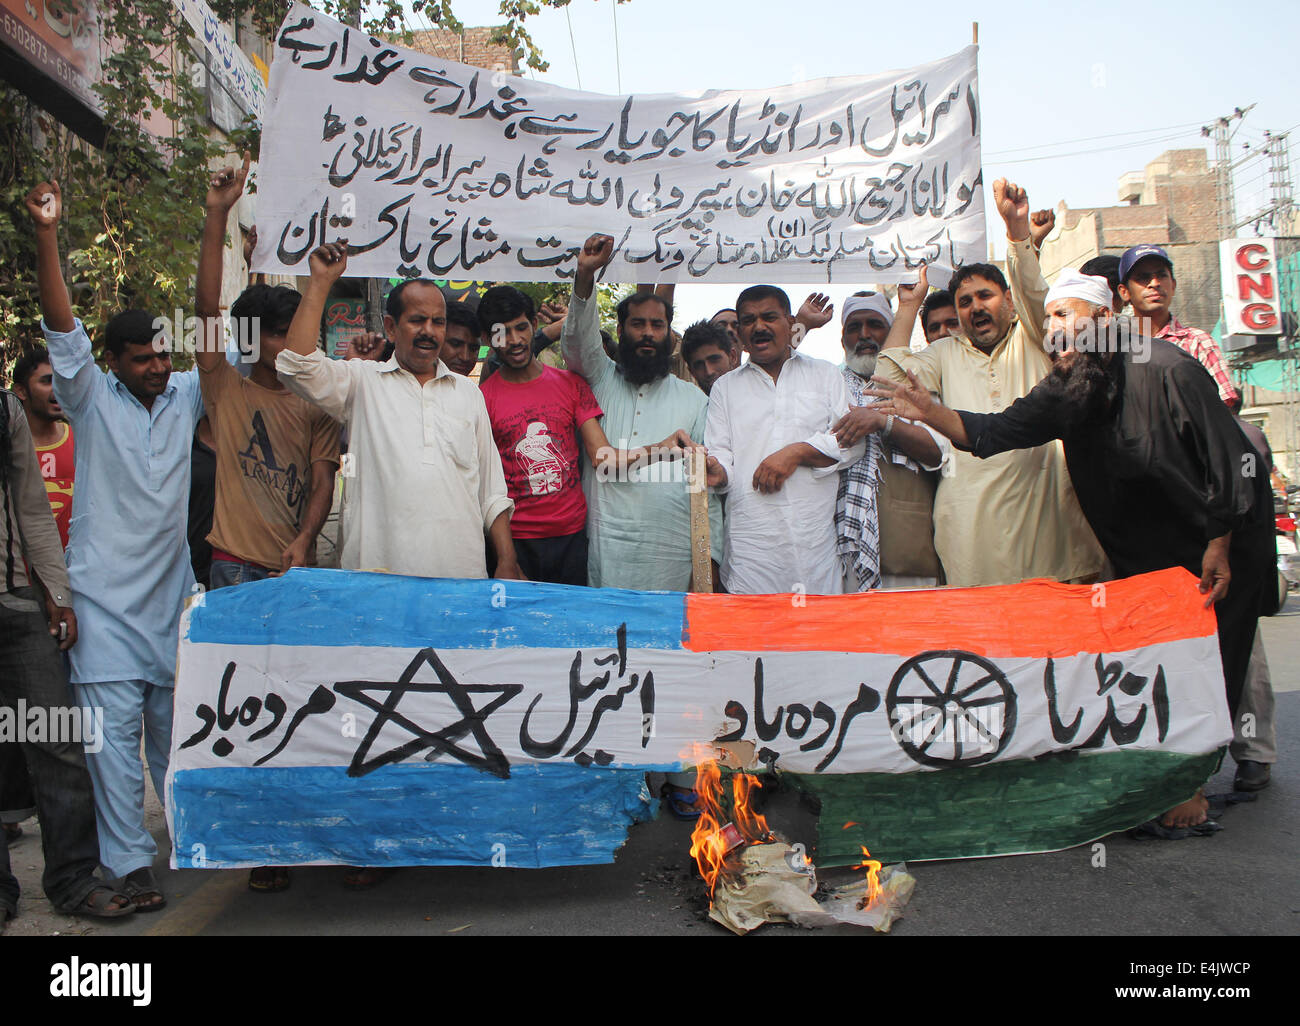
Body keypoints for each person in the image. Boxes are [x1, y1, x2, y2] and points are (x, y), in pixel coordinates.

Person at [870, 267, 1274, 833]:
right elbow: (996, 431)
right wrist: (928, 410)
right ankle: (1159, 776)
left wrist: (1220, 544)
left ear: (1105, 320)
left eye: (1068, 315)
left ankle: (1191, 787)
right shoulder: (1071, 385)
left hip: (1215, 546)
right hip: (1144, 558)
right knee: (1159, 667)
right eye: (1052, 316)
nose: (1056, 326)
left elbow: (1231, 463)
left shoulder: (1166, 368)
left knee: (1210, 667)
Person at [30, 179, 205, 911]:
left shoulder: (189, 395)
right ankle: (129, 865)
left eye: (162, 356)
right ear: (113, 363)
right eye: (141, 359)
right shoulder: (91, 399)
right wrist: (47, 233)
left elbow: (214, 328)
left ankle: (190, 841)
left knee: (178, 744)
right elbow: (62, 327)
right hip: (101, 605)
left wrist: (220, 217)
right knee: (110, 751)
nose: (157, 367)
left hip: (172, 605)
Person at [876, 178, 1103, 587]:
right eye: (965, 302)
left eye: (985, 296)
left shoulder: (1035, 337)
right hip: (972, 543)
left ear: (1009, 303)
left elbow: (1035, 295)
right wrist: (909, 305)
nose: (975, 307)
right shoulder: (946, 353)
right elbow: (886, 378)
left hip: (1049, 540)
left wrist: (1017, 234)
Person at [276, 241, 521, 582]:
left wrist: (507, 560)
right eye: (417, 320)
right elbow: (296, 367)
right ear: (391, 327)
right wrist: (319, 283)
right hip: (374, 579)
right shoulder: (363, 383)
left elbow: (492, 491)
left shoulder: (469, 394)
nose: (428, 331)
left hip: (460, 579)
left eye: (438, 322)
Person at [0, 388, 135, 927]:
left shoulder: (4, 410)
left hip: (14, 599)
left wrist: (57, 595)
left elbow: (32, 505)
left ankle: (74, 878)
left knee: (55, 739)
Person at [478, 285, 694, 585]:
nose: (515, 340)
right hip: (517, 541)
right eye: (502, 333)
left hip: (573, 541)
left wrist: (661, 448)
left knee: (572, 628)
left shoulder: (571, 385)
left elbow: (603, 459)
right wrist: (506, 558)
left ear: (535, 327)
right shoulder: (481, 400)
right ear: (488, 339)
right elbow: (488, 489)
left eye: (522, 328)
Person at [560, 234, 722, 591]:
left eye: (657, 326)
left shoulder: (695, 402)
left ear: (670, 335)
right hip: (604, 551)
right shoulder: (598, 378)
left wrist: (708, 562)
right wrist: (585, 275)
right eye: (638, 324)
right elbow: (576, 340)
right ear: (620, 330)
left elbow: (705, 490)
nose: (648, 333)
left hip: (670, 556)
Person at [703, 285, 864, 595]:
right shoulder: (725, 387)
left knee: (818, 639)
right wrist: (717, 470)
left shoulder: (826, 374)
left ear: (791, 323)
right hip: (751, 555)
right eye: (748, 320)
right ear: (740, 332)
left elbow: (852, 444)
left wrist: (797, 452)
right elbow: (722, 455)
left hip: (814, 552)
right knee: (751, 640)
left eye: (769, 317)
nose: (759, 327)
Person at [828, 287, 948, 591]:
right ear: (843, 338)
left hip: (908, 553)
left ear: (890, 331)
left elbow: (938, 452)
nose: (864, 335)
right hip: (840, 552)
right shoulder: (827, 385)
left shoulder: (916, 381)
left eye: (875, 324)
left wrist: (883, 422)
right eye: (854, 327)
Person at [1118, 244, 1239, 408]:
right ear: (1124, 292)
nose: (1154, 283)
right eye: (1143, 277)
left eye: (1161, 275)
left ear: (1173, 285)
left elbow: (1224, 406)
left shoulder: (1198, 342)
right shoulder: (1115, 347)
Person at [12, 347, 74, 548]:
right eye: (47, 381)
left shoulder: (82, 441)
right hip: (19, 572)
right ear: (20, 391)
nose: (57, 388)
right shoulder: (8, 448)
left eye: (61, 379)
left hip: (76, 570)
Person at [681, 320, 734, 395]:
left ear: (732, 357)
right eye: (699, 365)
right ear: (691, 371)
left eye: (714, 360)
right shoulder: (690, 405)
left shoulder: (755, 395)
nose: (709, 372)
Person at [440, 302, 483, 377]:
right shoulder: (414, 386)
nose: (465, 357)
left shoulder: (472, 388)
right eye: (455, 344)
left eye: (473, 348)